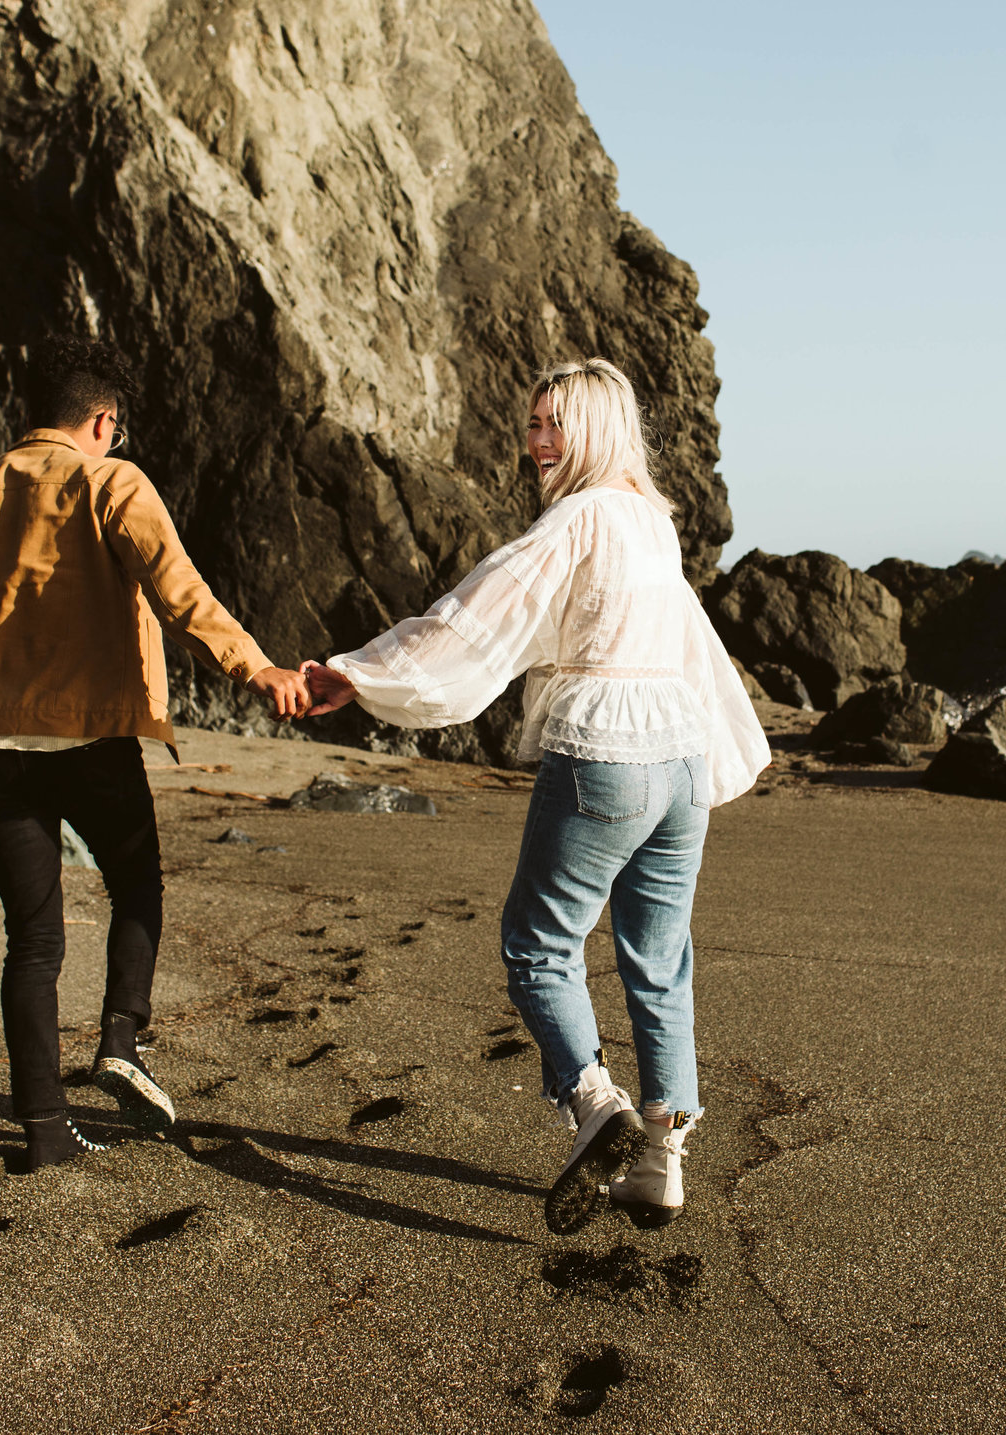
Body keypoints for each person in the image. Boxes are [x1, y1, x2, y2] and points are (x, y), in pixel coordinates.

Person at [303, 359, 769, 1233]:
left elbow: (472, 615)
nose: (537, 440)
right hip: (679, 761)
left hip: (607, 753)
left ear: (595, 428)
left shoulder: (581, 517)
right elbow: (685, 642)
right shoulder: (654, 523)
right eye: (532, 422)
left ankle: (597, 1107)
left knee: (536, 941)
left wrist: (356, 675)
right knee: (660, 957)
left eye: (554, 421)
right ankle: (663, 1165)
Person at [0, 337, 310, 1171]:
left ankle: (45, 1131)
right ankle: (122, 1034)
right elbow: (179, 590)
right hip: (93, 737)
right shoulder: (110, 481)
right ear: (102, 421)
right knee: (136, 885)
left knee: (33, 939)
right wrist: (254, 667)